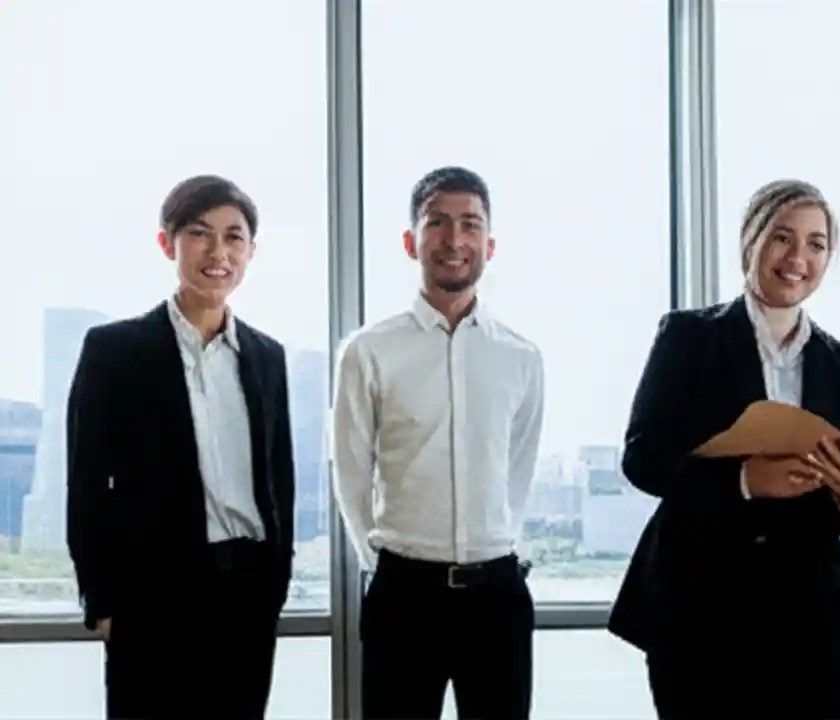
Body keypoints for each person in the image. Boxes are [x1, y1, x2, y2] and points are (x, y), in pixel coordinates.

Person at [608, 179, 840, 719]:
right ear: (750, 241)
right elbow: (643, 458)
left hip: (808, 621)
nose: (798, 258)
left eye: (816, 244)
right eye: (782, 237)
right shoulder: (688, 337)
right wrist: (744, 480)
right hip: (700, 609)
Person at [65, 175, 296, 719]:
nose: (218, 252)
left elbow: (279, 478)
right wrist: (102, 602)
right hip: (152, 594)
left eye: (234, 237)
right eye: (199, 233)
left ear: (252, 251)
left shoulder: (267, 356)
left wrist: (274, 585)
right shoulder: (115, 350)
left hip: (247, 591)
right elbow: (87, 485)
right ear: (167, 243)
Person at [331, 166, 545, 720]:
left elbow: (517, 470)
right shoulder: (368, 351)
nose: (455, 239)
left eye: (470, 224)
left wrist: (497, 544)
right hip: (404, 594)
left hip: (497, 597)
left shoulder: (521, 357)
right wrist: (381, 563)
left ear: (489, 245)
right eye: (437, 223)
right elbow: (350, 473)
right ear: (411, 241)